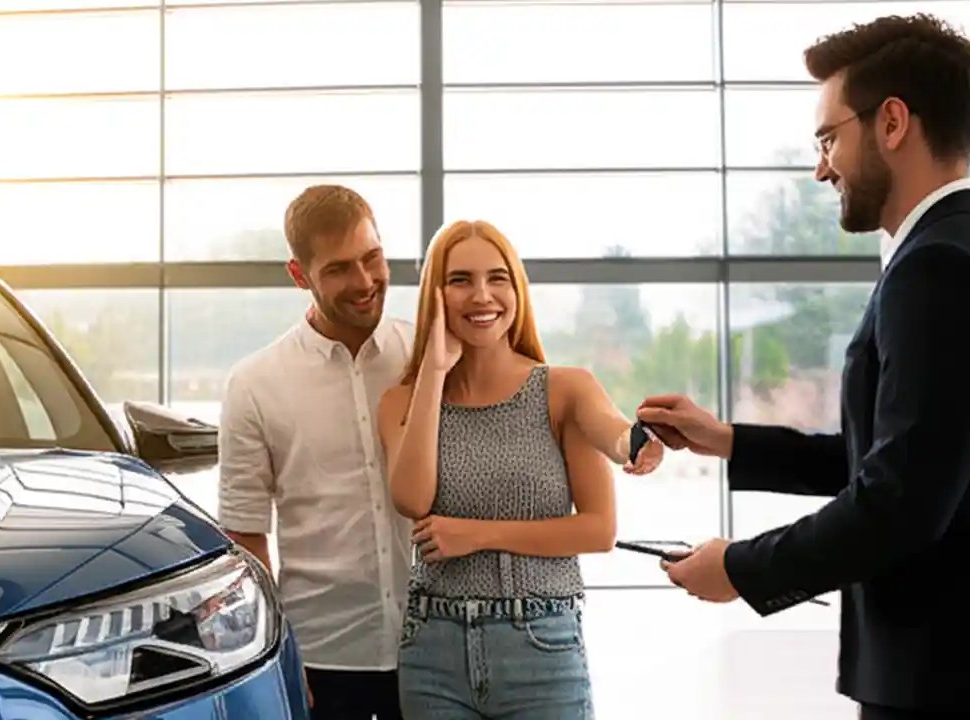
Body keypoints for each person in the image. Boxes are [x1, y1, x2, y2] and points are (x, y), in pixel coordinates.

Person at [635, 13, 970, 719]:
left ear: (892, 123)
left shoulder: (934, 266)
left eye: (827, 138)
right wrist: (730, 441)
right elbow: (911, 456)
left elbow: (904, 500)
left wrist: (742, 568)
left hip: (937, 676)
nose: (821, 167)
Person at [377, 219, 664, 719]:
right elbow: (412, 499)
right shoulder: (402, 400)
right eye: (460, 280)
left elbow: (599, 526)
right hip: (432, 648)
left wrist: (634, 442)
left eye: (497, 278)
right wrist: (435, 371)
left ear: (517, 288)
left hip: (541, 645)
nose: (482, 295)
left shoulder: (565, 389)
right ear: (436, 295)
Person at [217, 184, 413, 720]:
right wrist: (274, 651)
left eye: (372, 258)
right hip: (320, 658)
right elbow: (244, 535)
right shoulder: (254, 384)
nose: (365, 282)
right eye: (339, 269)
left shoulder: (425, 359)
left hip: (432, 652)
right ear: (299, 276)